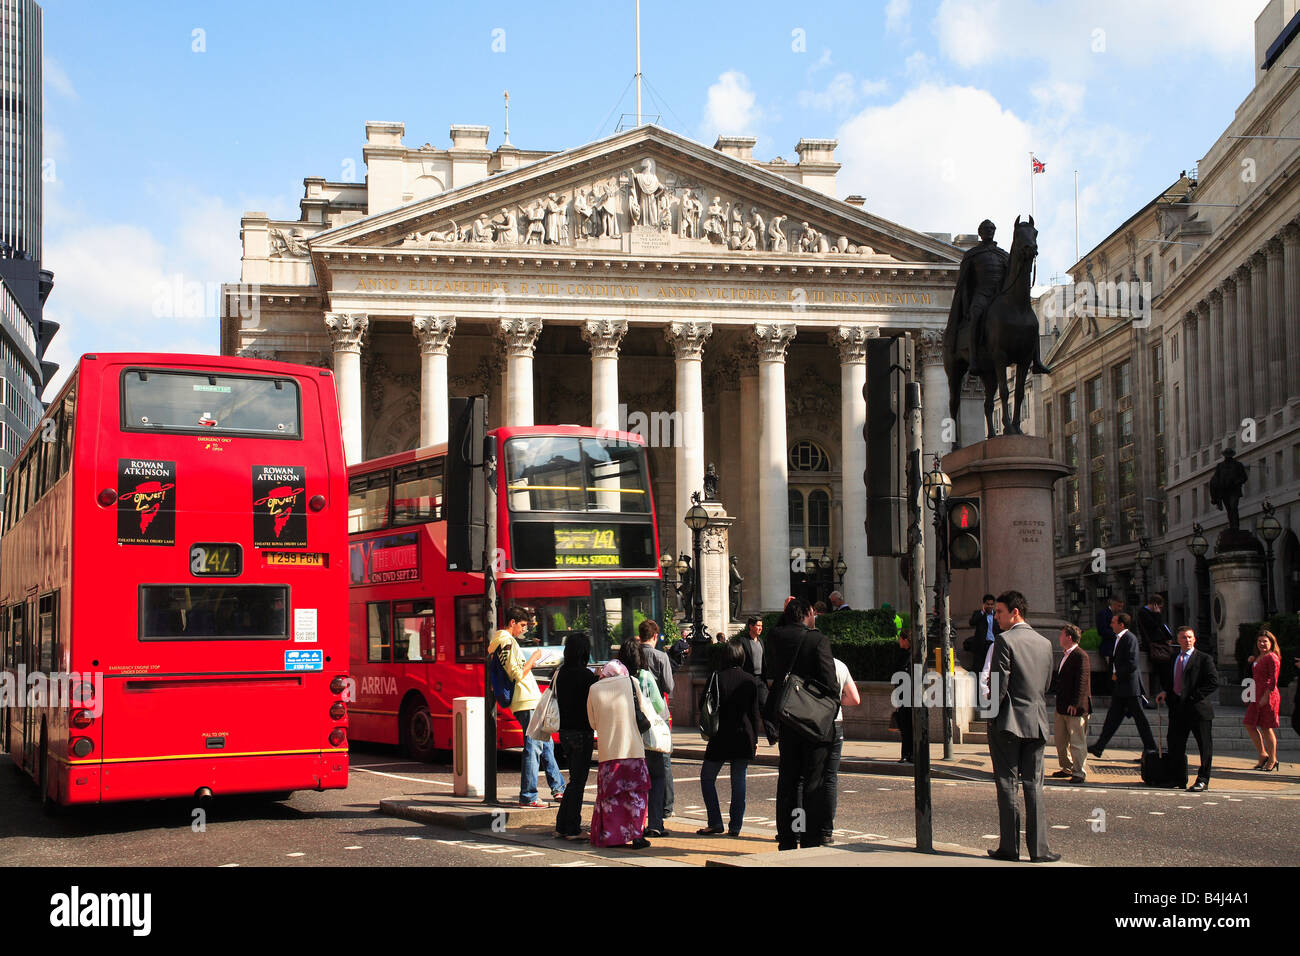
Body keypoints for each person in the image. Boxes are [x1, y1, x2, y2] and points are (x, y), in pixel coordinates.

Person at [987, 589, 1059, 863]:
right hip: (1037, 721)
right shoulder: (1044, 643)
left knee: (1007, 784)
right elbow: (1048, 684)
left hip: (1008, 722)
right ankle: (1040, 850)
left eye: (1000, 612)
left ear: (1014, 612)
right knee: (1033, 784)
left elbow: (999, 685)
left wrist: (992, 715)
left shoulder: (1004, 641)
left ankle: (1010, 847)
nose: (996, 617)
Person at [765, 597, 836, 850]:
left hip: (787, 718)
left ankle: (787, 837)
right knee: (813, 783)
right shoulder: (817, 640)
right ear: (807, 613)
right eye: (813, 612)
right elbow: (831, 684)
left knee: (789, 781)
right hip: (812, 721)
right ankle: (809, 837)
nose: (815, 616)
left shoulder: (773, 637)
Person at [488, 605, 565, 808]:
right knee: (534, 746)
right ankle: (528, 795)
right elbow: (517, 674)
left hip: (529, 700)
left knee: (545, 744)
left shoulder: (503, 642)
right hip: (525, 700)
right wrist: (533, 659)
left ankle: (559, 788)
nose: (524, 629)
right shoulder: (506, 642)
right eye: (522, 625)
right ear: (512, 623)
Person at [697, 638, 764, 836]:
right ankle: (735, 827)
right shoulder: (750, 680)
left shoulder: (716, 677)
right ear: (742, 657)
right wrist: (756, 741)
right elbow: (754, 714)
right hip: (744, 736)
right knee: (739, 781)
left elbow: (703, 703)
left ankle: (715, 822)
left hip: (719, 736)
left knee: (707, 778)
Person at [585, 659, 651, 848]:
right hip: (633, 749)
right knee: (636, 795)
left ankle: (612, 836)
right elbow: (644, 709)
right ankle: (637, 835)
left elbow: (592, 723)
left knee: (611, 798)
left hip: (609, 752)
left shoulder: (594, 689)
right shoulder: (631, 682)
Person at [1156, 626, 1218, 791]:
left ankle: (1202, 779)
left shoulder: (1204, 659)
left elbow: (1213, 682)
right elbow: (1171, 681)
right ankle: (1177, 779)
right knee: (1175, 744)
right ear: (1178, 640)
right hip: (1178, 709)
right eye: (1183, 637)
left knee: (1204, 746)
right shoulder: (1174, 658)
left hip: (1198, 710)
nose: (1187, 640)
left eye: (1190, 637)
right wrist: (1165, 692)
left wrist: (1193, 696)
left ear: (1194, 639)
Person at [1089, 611, 1157, 758]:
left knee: (1140, 720)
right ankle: (1099, 747)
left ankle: (1151, 749)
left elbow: (1132, 663)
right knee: (1113, 718)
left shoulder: (1129, 638)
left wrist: (1117, 674)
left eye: (1113, 622)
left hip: (1131, 688)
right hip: (1122, 687)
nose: (1110, 624)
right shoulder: (1119, 638)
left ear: (1121, 624)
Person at [620, 639, 670, 838]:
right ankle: (655, 823)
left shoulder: (617, 678)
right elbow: (659, 706)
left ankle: (631, 824)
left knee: (631, 782)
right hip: (647, 735)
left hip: (626, 737)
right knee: (657, 778)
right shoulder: (645, 676)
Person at [553, 634, 598, 839]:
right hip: (582, 732)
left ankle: (562, 825)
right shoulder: (586, 676)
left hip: (564, 733)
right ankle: (572, 828)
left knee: (573, 780)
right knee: (578, 782)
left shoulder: (561, 673)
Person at [637, 619, 676, 821]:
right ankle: (666, 805)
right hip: (658, 715)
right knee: (663, 759)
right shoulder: (661, 657)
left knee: (641, 759)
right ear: (654, 636)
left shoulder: (633, 656)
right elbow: (669, 686)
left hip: (637, 714)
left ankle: (643, 803)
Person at [822, 655, 861, 844]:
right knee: (830, 778)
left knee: (807, 777)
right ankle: (826, 831)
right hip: (836, 724)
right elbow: (854, 698)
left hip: (813, 725)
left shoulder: (807, 662)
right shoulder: (840, 665)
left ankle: (801, 827)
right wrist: (836, 701)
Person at [1050, 623, 1091, 784]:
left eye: (1061, 635)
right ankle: (1067, 767)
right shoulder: (1065, 655)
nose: (1059, 638)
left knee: (1076, 740)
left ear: (1069, 637)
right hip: (1061, 706)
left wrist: (1075, 703)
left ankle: (1079, 771)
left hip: (1075, 707)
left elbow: (1082, 681)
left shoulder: (1081, 655)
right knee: (1061, 741)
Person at [1244, 629, 1282, 771]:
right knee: (1249, 724)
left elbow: (1274, 678)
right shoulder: (1257, 657)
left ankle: (1273, 759)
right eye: (1259, 641)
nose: (1262, 643)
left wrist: (1266, 695)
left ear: (1271, 643)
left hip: (1268, 695)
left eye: (1265, 641)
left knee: (1266, 727)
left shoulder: (1272, 657)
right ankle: (1262, 754)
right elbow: (1250, 676)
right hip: (1255, 694)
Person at [1135, 593, 1173, 700]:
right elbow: (1154, 626)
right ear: (1155, 605)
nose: (1160, 610)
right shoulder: (1143, 613)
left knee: (1166, 670)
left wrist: (1168, 637)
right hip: (1152, 646)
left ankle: (1165, 692)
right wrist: (1157, 615)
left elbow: (1162, 626)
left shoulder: (1153, 613)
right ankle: (1157, 694)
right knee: (1160, 671)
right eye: (1159, 607)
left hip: (1160, 645)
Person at [966, 593, 1000, 671]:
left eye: (992, 604)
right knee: (980, 667)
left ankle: (994, 683)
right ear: (984, 604)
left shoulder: (996, 615)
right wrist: (982, 612)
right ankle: (980, 683)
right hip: (981, 645)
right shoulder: (978, 613)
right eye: (988, 604)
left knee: (993, 667)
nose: (990, 606)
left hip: (993, 644)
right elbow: (972, 623)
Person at [894, 630, 914, 762]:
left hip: (911, 697)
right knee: (904, 727)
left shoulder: (912, 655)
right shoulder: (901, 655)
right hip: (902, 696)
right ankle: (906, 754)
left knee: (909, 727)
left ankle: (910, 754)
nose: (899, 641)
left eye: (900, 639)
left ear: (906, 640)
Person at [1096, 597, 1123, 667]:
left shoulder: (1120, 616)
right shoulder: (1103, 614)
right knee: (1113, 672)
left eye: (1121, 606)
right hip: (1108, 649)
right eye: (1119, 606)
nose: (1120, 609)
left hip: (1118, 649)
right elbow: (1102, 631)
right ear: (1113, 604)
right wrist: (1117, 634)